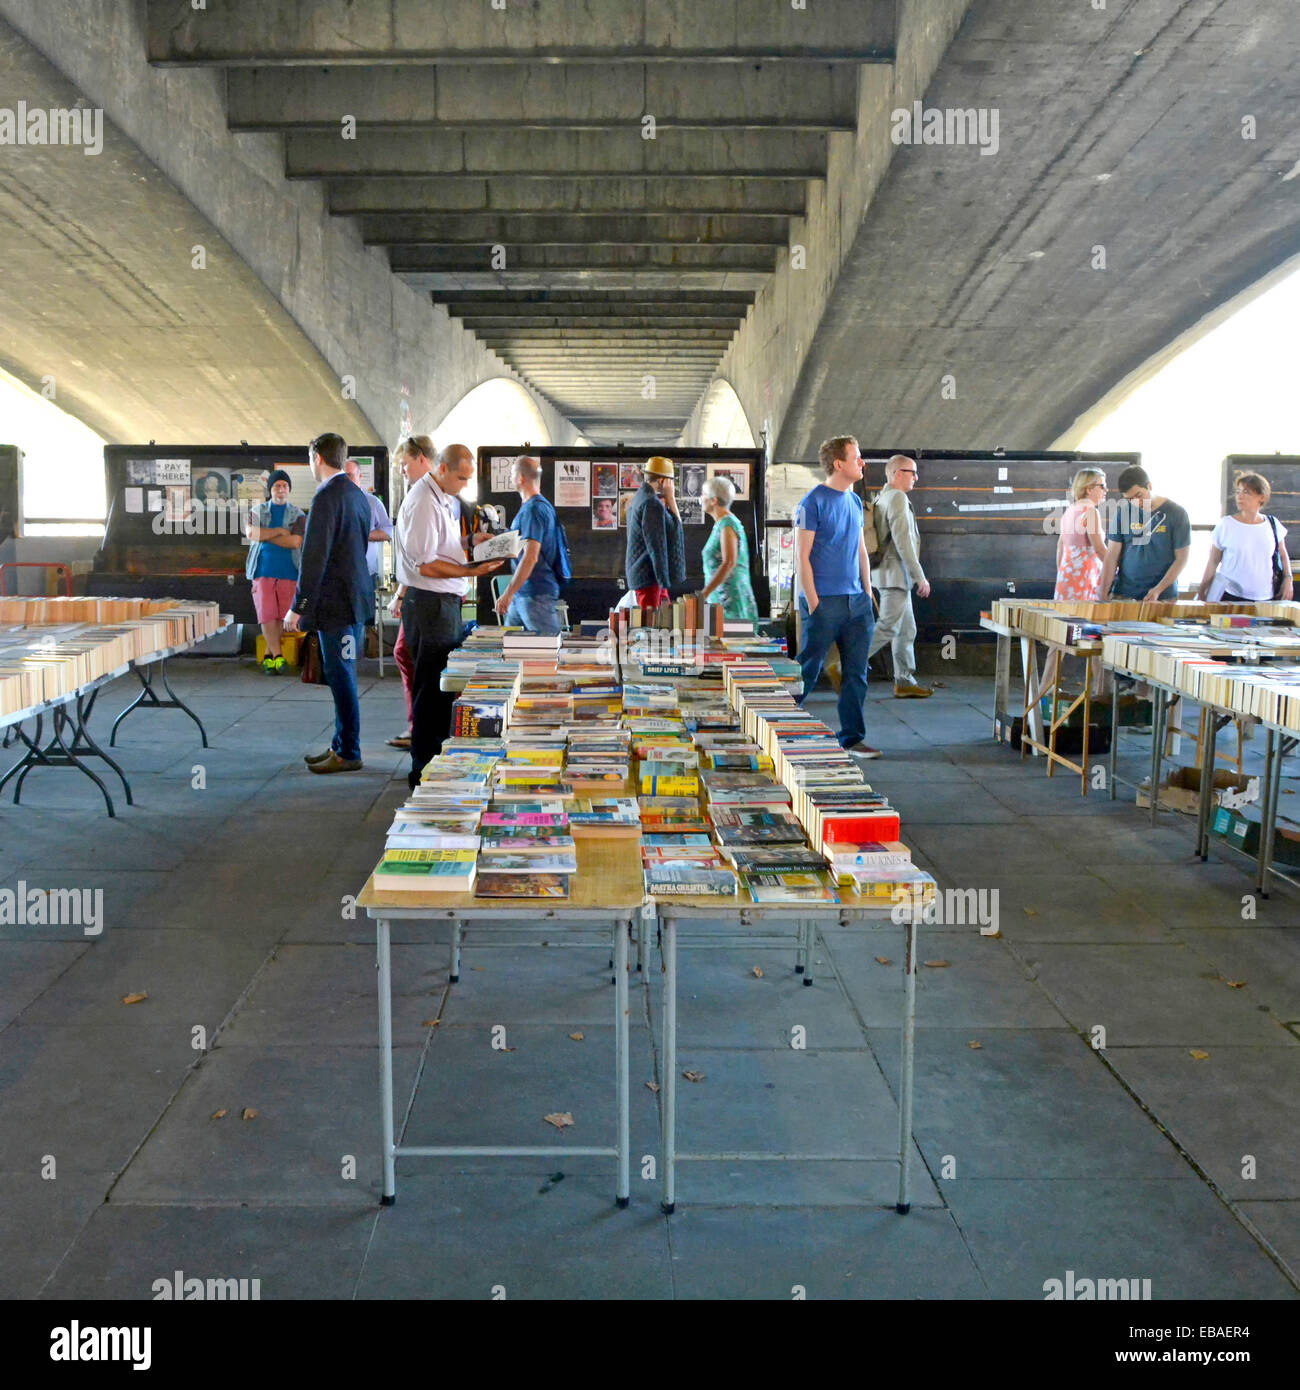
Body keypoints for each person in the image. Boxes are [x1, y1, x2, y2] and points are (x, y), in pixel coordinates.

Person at [394, 441, 504, 789]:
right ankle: (422, 771)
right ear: (441, 468)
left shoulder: (445, 498)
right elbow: (425, 564)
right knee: (431, 691)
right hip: (429, 605)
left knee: (443, 688)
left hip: (443, 603)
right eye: (461, 477)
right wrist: (472, 572)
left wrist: (472, 541)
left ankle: (435, 764)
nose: (464, 485)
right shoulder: (424, 500)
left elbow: (443, 547)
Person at [285, 433, 374, 774]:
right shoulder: (357, 495)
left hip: (335, 605)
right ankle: (341, 743)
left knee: (341, 677)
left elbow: (314, 558)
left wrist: (299, 606)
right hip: (354, 600)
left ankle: (349, 751)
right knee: (343, 674)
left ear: (317, 458)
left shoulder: (325, 497)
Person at [795, 436, 878, 758]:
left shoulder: (855, 502)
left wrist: (868, 593)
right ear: (839, 464)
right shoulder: (812, 502)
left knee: (857, 673)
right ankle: (775, 726)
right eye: (857, 458)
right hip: (824, 603)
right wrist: (814, 602)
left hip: (857, 602)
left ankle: (852, 738)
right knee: (808, 669)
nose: (862, 463)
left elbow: (860, 551)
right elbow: (802, 557)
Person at [868, 454, 932, 698]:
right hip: (895, 576)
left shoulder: (883, 497)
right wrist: (920, 577)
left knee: (906, 630)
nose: (916, 477)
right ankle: (845, 665)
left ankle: (904, 680)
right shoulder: (897, 498)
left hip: (889, 574)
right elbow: (904, 543)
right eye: (911, 472)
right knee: (887, 628)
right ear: (897, 473)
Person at [1041, 468, 1109, 696]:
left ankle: (1046, 686)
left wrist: (1063, 572)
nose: (1105, 491)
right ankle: (1100, 690)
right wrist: (1116, 570)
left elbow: (1061, 545)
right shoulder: (1091, 513)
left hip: (1067, 578)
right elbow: (1099, 548)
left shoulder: (1070, 510)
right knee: (1095, 636)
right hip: (1086, 580)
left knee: (1060, 634)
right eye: (1102, 486)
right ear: (1089, 488)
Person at [493, 456, 565, 634]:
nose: (510, 478)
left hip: (535, 595)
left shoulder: (533, 510)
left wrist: (508, 593)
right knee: (510, 649)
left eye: (512, 474)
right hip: (525, 594)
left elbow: (531, 556)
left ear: (521, 478)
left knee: (546, 652)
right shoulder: (539, 507)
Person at [1197, 471, 1293, 602]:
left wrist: (1288, 579)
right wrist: (1202, 592)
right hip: (1230, 596)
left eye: (1246, 492)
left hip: (1265, 597)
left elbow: (1283, 555)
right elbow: (1213, 562)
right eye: (1238, 492)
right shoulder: (1226, 524)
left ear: (1261, 497)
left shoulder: (1272, 524)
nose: (1240, 496)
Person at [244, 468, 305, 674]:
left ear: (289, 489)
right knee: (266, 614)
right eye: (277, 486)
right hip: (262, 569)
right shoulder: (257, 511)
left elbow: (295, 541)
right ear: (270, 489)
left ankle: (270, 656)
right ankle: (278, 656)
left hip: (289, 570)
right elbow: (252, 533)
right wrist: (279, 531)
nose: (281, 489)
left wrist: (266, 534)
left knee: (280, 616)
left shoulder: (298, 514)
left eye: (284, 486)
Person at [1099, 466, 1191, 601]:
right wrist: (1103, 592)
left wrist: (1158, 590)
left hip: (1163, 596)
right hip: (1125, 593)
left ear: (1149, 486)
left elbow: (1182, 558)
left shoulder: (1176, 513)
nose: (1137, 503)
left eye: (1139, 495)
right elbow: (1111, 556)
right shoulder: (1123, 513)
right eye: (1130, 499)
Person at [625, 455, 685, 611]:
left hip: (645, 574)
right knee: (651, 625)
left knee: (664, 618)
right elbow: (656, 546)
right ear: (662, 480)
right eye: (671, 481)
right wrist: (670, 496)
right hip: (649, 577)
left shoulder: (640, 498)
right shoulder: (652, 504)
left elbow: (673, 527)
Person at [699, 475, 758, 621]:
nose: (701, 498)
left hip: (730, 601)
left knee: (733, 641)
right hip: (721, 598)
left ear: (714, 500)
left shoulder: (727, 524)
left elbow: (729, 562)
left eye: (704, 494)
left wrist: (703, 594)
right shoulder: (723, 523)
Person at [344, 457, 394, 590]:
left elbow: (388, 532)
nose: (346, 480)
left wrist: (361, 535)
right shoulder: (332, 503)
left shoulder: (373, 502)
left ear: (360, 476)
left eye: (350, 475)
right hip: (338, 573)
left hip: (366, 572)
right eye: (342, 476)